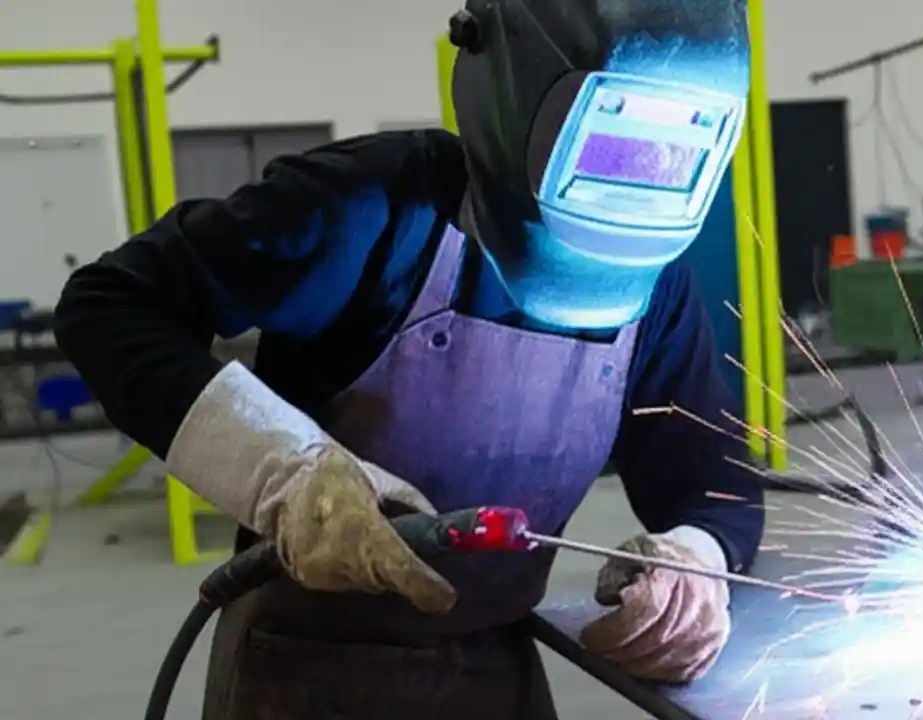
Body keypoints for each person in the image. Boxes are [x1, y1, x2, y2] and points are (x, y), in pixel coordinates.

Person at [54, 1, 764, 718]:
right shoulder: (371, 212)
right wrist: (282, 471)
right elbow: (108, 303)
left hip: (495, 667)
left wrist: (697, 560)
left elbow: (713, 486)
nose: (634, 179)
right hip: (299, 673)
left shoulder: (656, 286)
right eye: (612, 149)